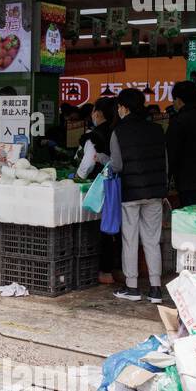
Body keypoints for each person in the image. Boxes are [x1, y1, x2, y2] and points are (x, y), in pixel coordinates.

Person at [109, 87, 168, 304]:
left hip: (130, 193)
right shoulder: (157, 129)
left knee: (130, 239)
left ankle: (132, 287)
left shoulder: (118, 132)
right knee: (152, 240)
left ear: (123, 107)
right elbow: (165, 162)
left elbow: (116, 165)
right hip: (154, 192)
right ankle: (155, 289)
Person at [78, 97, 119, 285]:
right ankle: (117, 269)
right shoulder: (117, 131)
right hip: (117, 185)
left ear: (98, 113)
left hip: (99, 187)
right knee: (116, 228)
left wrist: (77, 177)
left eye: (94, 110)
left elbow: (87, 164)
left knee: (103, 229)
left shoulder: (93, 136)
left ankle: (104, 271)